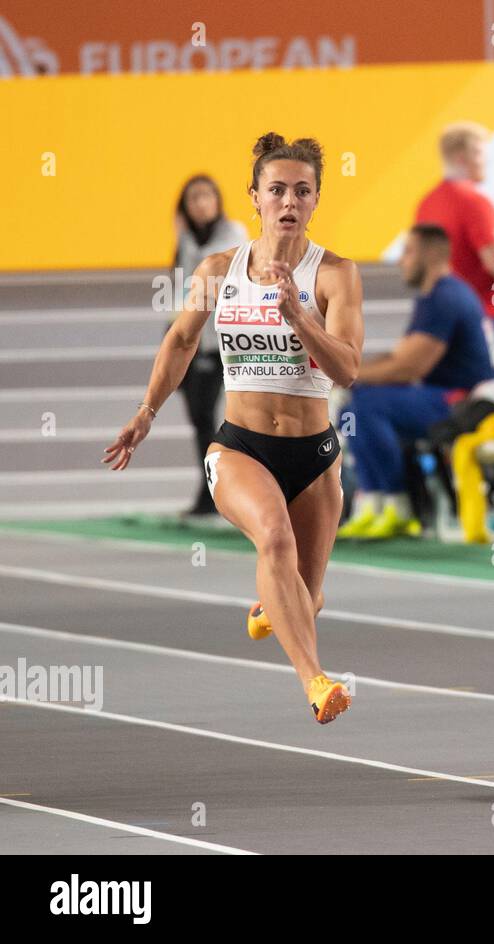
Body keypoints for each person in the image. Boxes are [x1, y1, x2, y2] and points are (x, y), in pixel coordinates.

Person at [104, 132, 364, 725]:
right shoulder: (219, 270)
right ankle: (317, 682)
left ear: (317, 199)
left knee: (308, 595)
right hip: (242, 446)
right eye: (277, 190)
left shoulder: (337, 276)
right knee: (273, 537)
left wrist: (300, 316)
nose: (289, 201)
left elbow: (348, 367)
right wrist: (146, 413)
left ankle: (276, 605)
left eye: (302, 190)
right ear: (254, 197)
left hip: (316, 455)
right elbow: (180, 339)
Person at [337, 224, 494, 539]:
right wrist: (345, 369)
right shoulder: (435, 296)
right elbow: (398, 357)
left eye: (408, 252)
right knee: (359, 401)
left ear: (430, 255)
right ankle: (371, 502)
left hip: (470, 404)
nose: (401, 261)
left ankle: (397, 506)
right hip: (448, 395)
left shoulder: (446, 297)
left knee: (370, 405)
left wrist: (346, 374)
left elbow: (408, 368)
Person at [414, 122, 494, 353]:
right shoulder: (475, 202)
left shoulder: (427, 203)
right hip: (484, 313)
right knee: (486, 387)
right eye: (480, 153)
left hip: (441, 314)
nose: (486, 161)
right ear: (461, 157)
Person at [170, 175, 247, 515]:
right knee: (200, 418)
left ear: (218, 201)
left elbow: (211, 271)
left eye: (206, 196)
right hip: (193, 340)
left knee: (227, 419)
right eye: (193, 198)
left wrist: (182, 234)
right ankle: (211, 491)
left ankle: (224, 493)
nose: (200, 203)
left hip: (225, 342)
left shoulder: (233, 233)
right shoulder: (187, 238)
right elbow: (181, 286)